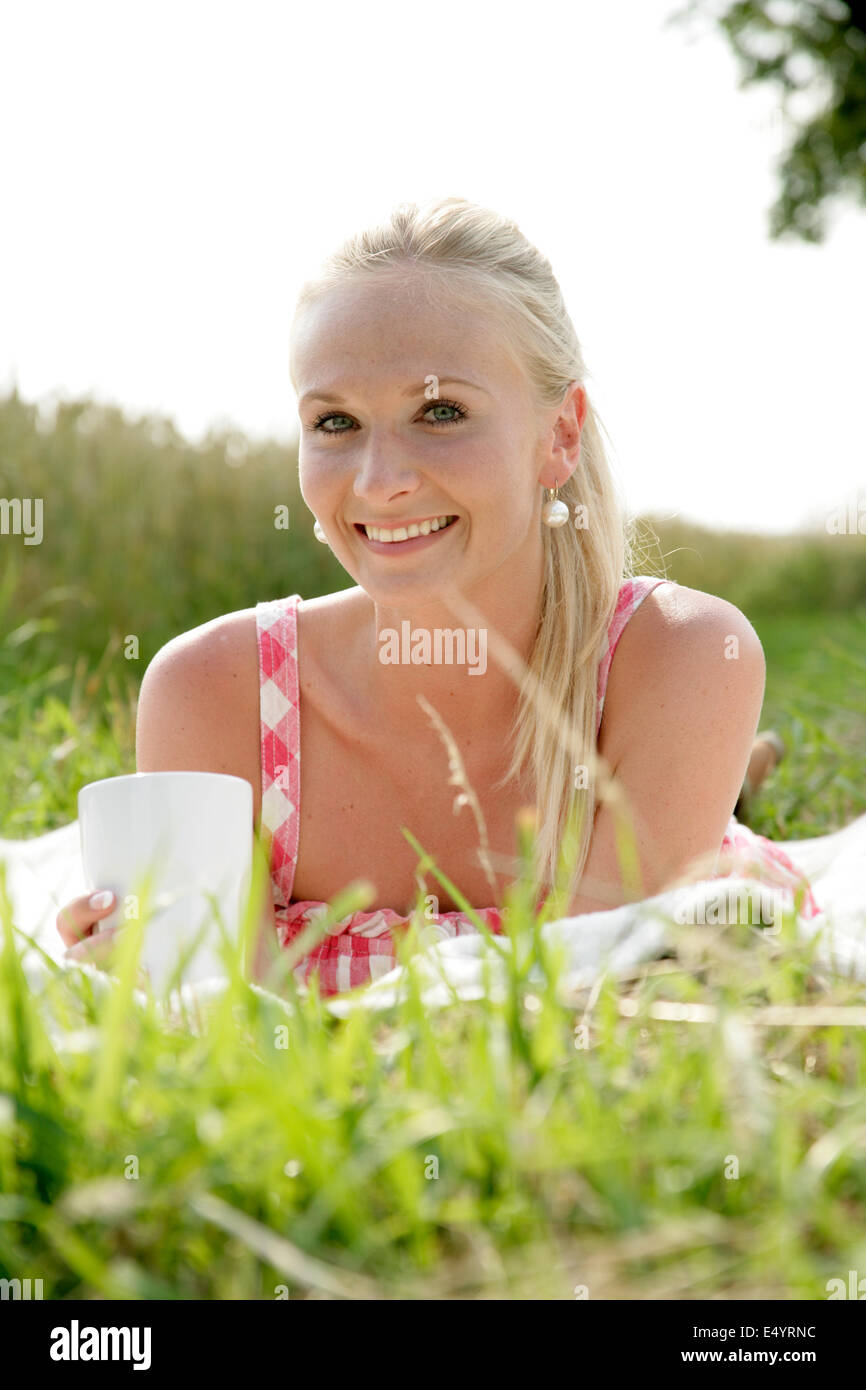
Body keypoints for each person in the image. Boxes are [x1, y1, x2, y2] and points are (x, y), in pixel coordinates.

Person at [55, 196, 820, 996]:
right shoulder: (211, 694)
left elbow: (585, 1014)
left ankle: (735, 780)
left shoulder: (679, 654)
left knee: (706, 817)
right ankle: (742, 774)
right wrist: (143, 980)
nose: (380, 482)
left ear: (558, 436)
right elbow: (222, 1036)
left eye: (440, 411)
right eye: (336, 422)